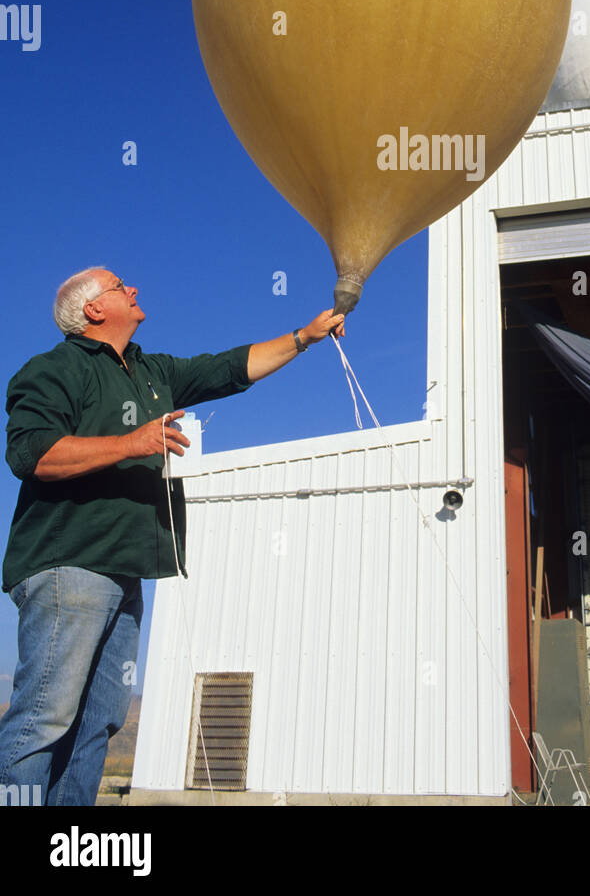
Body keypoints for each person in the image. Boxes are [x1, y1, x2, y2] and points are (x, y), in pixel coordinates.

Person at [0, 266, 345, 806]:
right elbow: (33, 454)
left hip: (126, 570)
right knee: (45, 715)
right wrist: (130, 443)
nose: (133, 289)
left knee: (99, 722)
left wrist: (304, 336)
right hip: (69, 565)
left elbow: (228, 368)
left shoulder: (151, 370)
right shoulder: (52, 370)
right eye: (119, 286)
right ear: (93, 310)